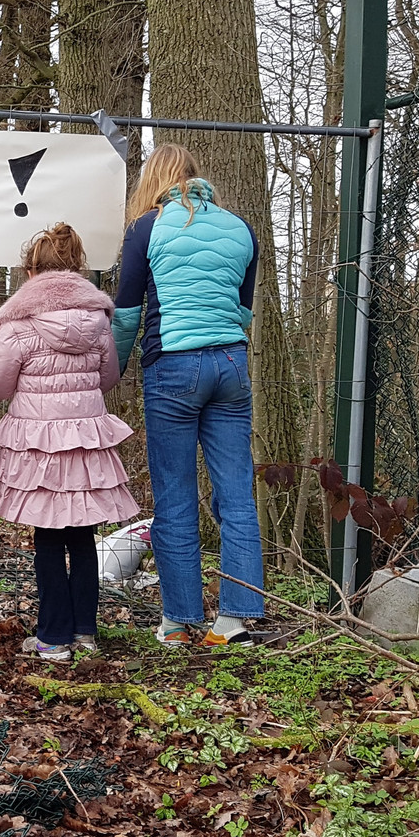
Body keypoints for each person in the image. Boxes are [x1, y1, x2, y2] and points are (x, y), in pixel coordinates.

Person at [112, 143, 264, 648]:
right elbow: (244, 312)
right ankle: (237, 615)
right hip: (230, 365)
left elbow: (128, 312)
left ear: (152, 182)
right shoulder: (241, 229)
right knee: (236, 492)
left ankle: (179, 621)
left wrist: (113, 370)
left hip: (172, 365)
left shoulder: (146, 228)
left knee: (176, 499)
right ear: (198, 177)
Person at [0, 225, 138, 660]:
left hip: (39, 445)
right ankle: (84, 630)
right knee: (82, 537)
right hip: (85, 439)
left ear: (31, 268)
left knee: (47, 538)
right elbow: (108, 377)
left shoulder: (20, 323)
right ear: (77, 265)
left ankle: (53, 637)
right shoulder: (98, 319)